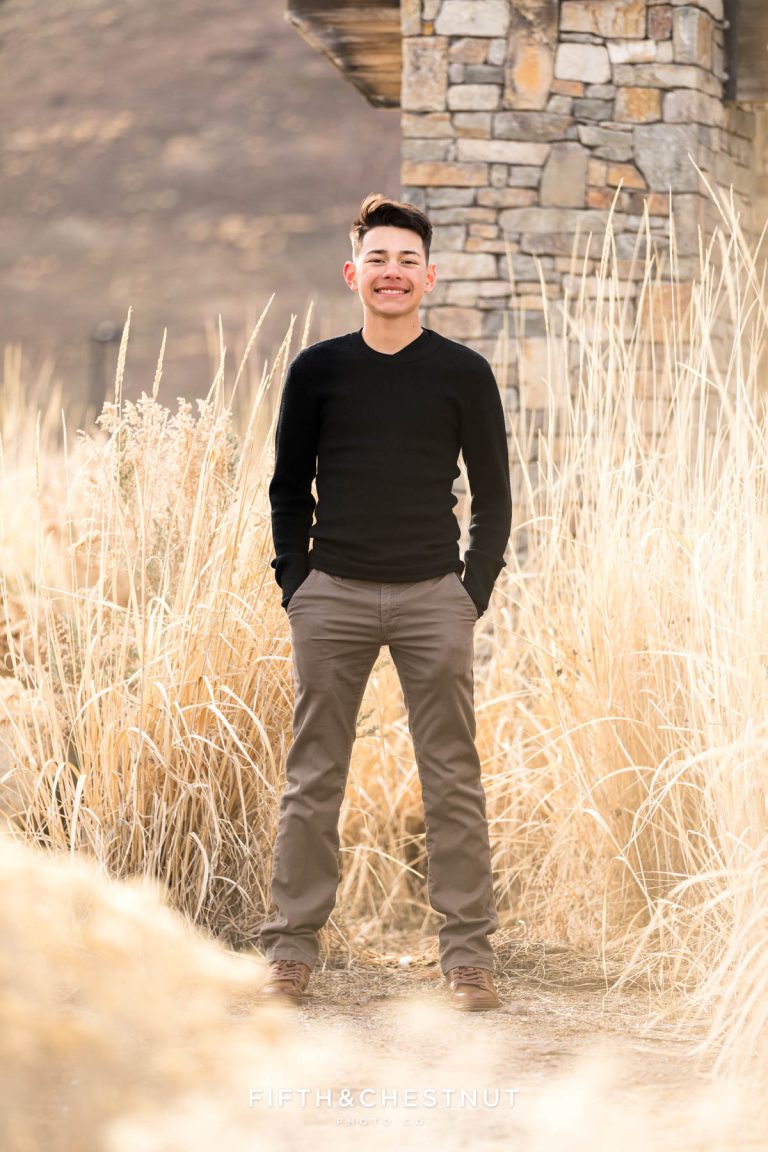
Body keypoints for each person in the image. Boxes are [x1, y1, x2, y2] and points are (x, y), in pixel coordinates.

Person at [258, 193, 512, 1011]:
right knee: (312, 777)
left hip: (434, 596)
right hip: (330, 595)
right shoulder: (318, 370)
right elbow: (288, 487)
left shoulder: (463, 374)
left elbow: (495, 497)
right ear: (352, 273)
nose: (392, 272)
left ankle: (468, 955)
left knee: (453, 777)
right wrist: (296, 582)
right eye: (378, 259)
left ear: (428, 277)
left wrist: (471, 591)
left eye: (407, 260)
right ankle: (291, 950)